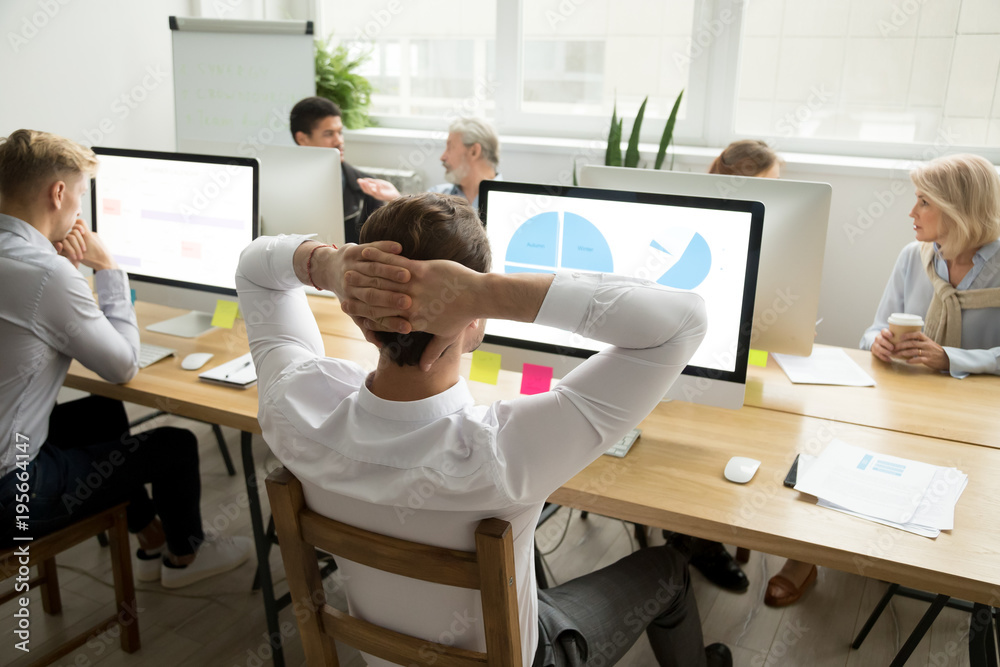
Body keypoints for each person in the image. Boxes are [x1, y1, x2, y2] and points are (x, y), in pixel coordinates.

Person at [237, 193, 732, 666]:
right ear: (473, 321)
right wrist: (483, 293)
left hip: (379, 657)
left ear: (356, 308)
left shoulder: (293, 408)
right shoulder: (503, 451)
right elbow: (683, 320)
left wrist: (328, 264)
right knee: (668, 568)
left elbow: (255, 267)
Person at [0, 130, 252, 588]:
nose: (80, 211)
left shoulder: (27, 262)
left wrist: (66, 280)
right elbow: (122, 367)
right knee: (175, 445)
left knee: (101, 413)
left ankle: (153, 535)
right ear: (58, 193)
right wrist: (109, 270)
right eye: (80, 197)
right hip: (13, 494)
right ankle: (185, 558)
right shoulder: (45, 274)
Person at [667, 139, 782, 597]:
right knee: (702, 431)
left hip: (752, 352)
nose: (780, 193)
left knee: (753, 426)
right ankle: (694, 538)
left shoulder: (777, 228)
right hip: (692, 349)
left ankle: (707, 532)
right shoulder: (693, 226)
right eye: (773, 185)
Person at [862, 153, 1000, 376]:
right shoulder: (912, 256)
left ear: (958, 211)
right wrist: (877, 343)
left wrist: (949, 358)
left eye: (924, 202)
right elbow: (874, 331)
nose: (912, 212)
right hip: (912, 392)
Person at [289, 96, 383, 245]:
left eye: (340, 132)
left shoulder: (367, 190)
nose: (339, 141)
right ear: (302, 139)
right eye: (329, 134)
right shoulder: (283, 185)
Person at [357, 117, 501, 212]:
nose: (443, 156)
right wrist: (395, 198)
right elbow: (417, 217)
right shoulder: (437, 195)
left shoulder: (510, 202)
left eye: (450, 147)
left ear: (474, 151)